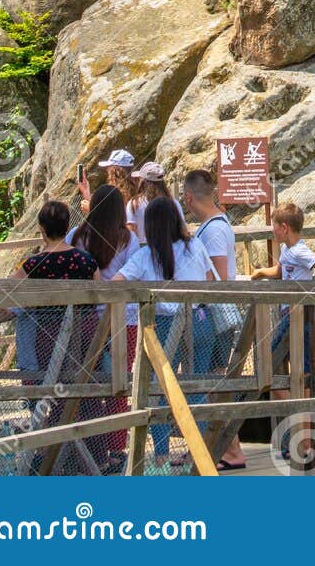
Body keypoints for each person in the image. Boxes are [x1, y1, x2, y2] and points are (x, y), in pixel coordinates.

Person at [112, 197, 214, 467]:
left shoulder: (145, 256)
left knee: (158, 391)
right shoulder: (195, 246)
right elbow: (211, 280)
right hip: (201, 320)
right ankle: (197, 456)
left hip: (165, 327)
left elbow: (116, 283)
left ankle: (161, 457)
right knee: (198, 387)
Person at [70, 184, 140, 472]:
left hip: (87, 320)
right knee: (118, 386)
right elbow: (136, 272)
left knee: (88, 384)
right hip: (124, 319)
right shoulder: (128, 239)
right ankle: (115, 447)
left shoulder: (78, 236)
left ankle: (91, 445)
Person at [182, 169, 244, 471]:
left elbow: (217, 277)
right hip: (219, 313)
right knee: (216, 382)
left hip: (217, 314)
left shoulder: (215, 229)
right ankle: (224, 447)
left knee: (212, 382)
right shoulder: (216, 224)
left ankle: (228, 449)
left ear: (190, 196)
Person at [251, 201, 315, 395]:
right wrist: (261, 273)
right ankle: (295, 405)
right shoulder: (286, 250)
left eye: (273, 227)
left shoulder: (300, 251)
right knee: (287, 362)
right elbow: (280, 270)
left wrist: (311, 288)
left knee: (285, 363)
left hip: (300, 315)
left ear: (284, 228)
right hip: (288, 316)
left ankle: (300, 410)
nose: (272, 231)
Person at [15, 201, 100, 382]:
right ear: (67, 226)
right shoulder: (86, 260)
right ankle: (89, 410)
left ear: (42, 228)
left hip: (50, 329)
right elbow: (100, 293)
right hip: (86, 327)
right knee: (87, 380)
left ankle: (56, 410)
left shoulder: (33, 264)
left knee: (55, 380)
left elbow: (9, 288)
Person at [78, 148, 136, 219]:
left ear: (115, 172)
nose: (107, 171)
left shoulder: (118, 195)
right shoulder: (137, 190)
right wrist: (85, 191)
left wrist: (92, 210)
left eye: (109, 168)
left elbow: (115, 221)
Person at [127, 161, 171, 244]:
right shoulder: (174, 203)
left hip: (142, 251)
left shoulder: (134, 203)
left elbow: (131, 233)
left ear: (143, 181)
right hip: (170, 250)